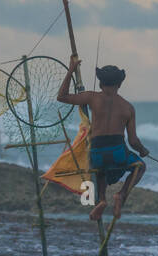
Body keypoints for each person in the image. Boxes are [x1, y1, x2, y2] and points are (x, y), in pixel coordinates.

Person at [57, 58, 148, 221]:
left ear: (100, 83)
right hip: (117, 150)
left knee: (100, 170)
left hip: (97, 152)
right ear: (119, 84)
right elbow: (133, 141)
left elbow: (62, 96)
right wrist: (142, 150)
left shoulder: (92, 98)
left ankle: (102, 200)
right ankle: (121, 195)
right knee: (140, 166)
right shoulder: (128, 107)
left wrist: (71, 70)